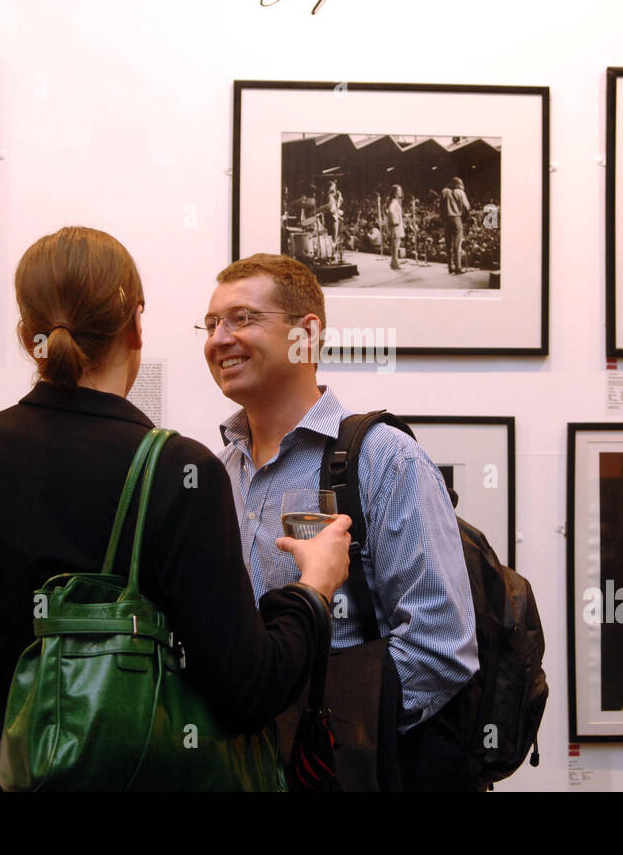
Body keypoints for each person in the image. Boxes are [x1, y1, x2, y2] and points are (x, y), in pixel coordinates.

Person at [0, 227, 351, 791]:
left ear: (25, 332)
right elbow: (246, 691)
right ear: (135, 324)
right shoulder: (179, 471)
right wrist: (313, 591)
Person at [200, 253, 479, 789]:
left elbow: (441, 647)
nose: (218, 338)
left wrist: (326, 737)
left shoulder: (383, 459)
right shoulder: (217, 473)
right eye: (211, 324)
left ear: (305, 334)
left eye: (242, 318)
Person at [440, 177, 472, 274]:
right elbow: (467, 207)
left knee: (448, 245)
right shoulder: (460, 192)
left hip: (446, 220)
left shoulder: (444, 191)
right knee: (457, 245)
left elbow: (440, 207)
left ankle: (450, 267)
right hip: (456, 219)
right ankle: (458, 268)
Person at [386, 184, 405, 270]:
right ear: (395, 192)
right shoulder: (394, 201)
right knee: (395, 246)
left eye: (400, 190)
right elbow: (390, 211)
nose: (400, 192)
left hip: (396, 225)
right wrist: (395, 221)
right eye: (398, 190)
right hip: (396, 225)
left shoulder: (394, 200)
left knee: (394, 246)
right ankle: (395, 263)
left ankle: (393, 263)